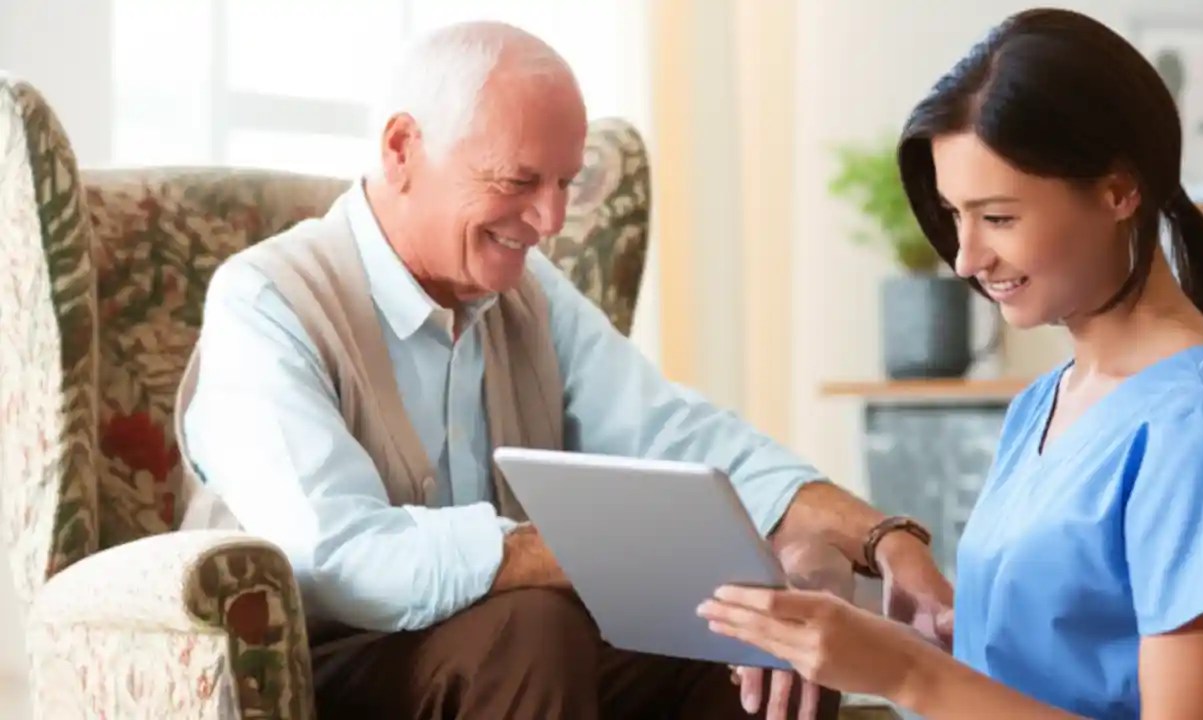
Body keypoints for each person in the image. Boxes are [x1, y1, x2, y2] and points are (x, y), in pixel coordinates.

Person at [175, 20, 952, 720]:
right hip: (320, 658)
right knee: (533, 629)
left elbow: (676, 437)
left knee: (759, 641)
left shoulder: (528, 295)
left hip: (498, 652)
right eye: (519, 181)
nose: (550, 221)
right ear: (403, 149)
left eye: (565, 183)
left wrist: (879, 537)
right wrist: (586, 554)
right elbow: (338, 557)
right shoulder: (268, 300)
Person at [699, 7, 1203, 720]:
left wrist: (906, 671)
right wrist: (868, 641)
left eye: (999, 217)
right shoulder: (1047, 402)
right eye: (955, 216)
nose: (967, 259)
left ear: (1119, 191)